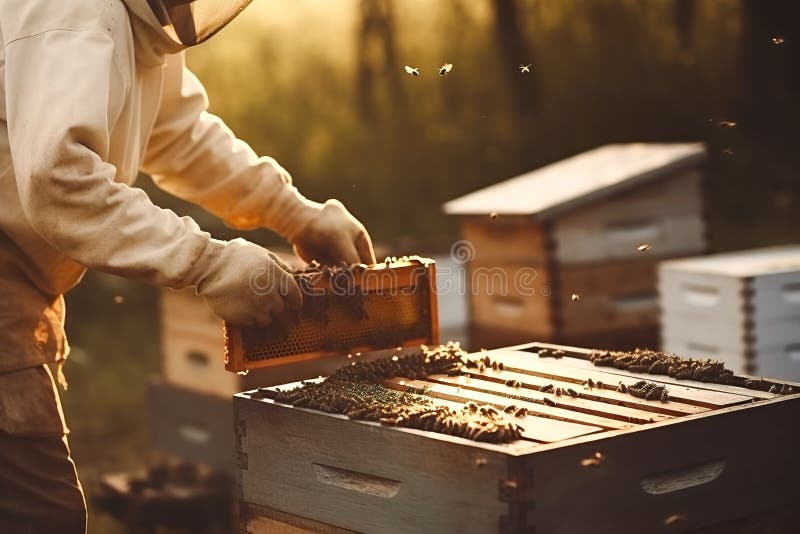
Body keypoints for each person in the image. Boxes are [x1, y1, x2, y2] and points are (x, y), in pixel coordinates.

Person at [0, 0, 375, 531]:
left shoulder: (137, 25)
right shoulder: (71, 7)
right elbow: (60, 178)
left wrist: (294, 212)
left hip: (19, 298)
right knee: (40, 517)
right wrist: (209, 263)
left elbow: (178, 133)